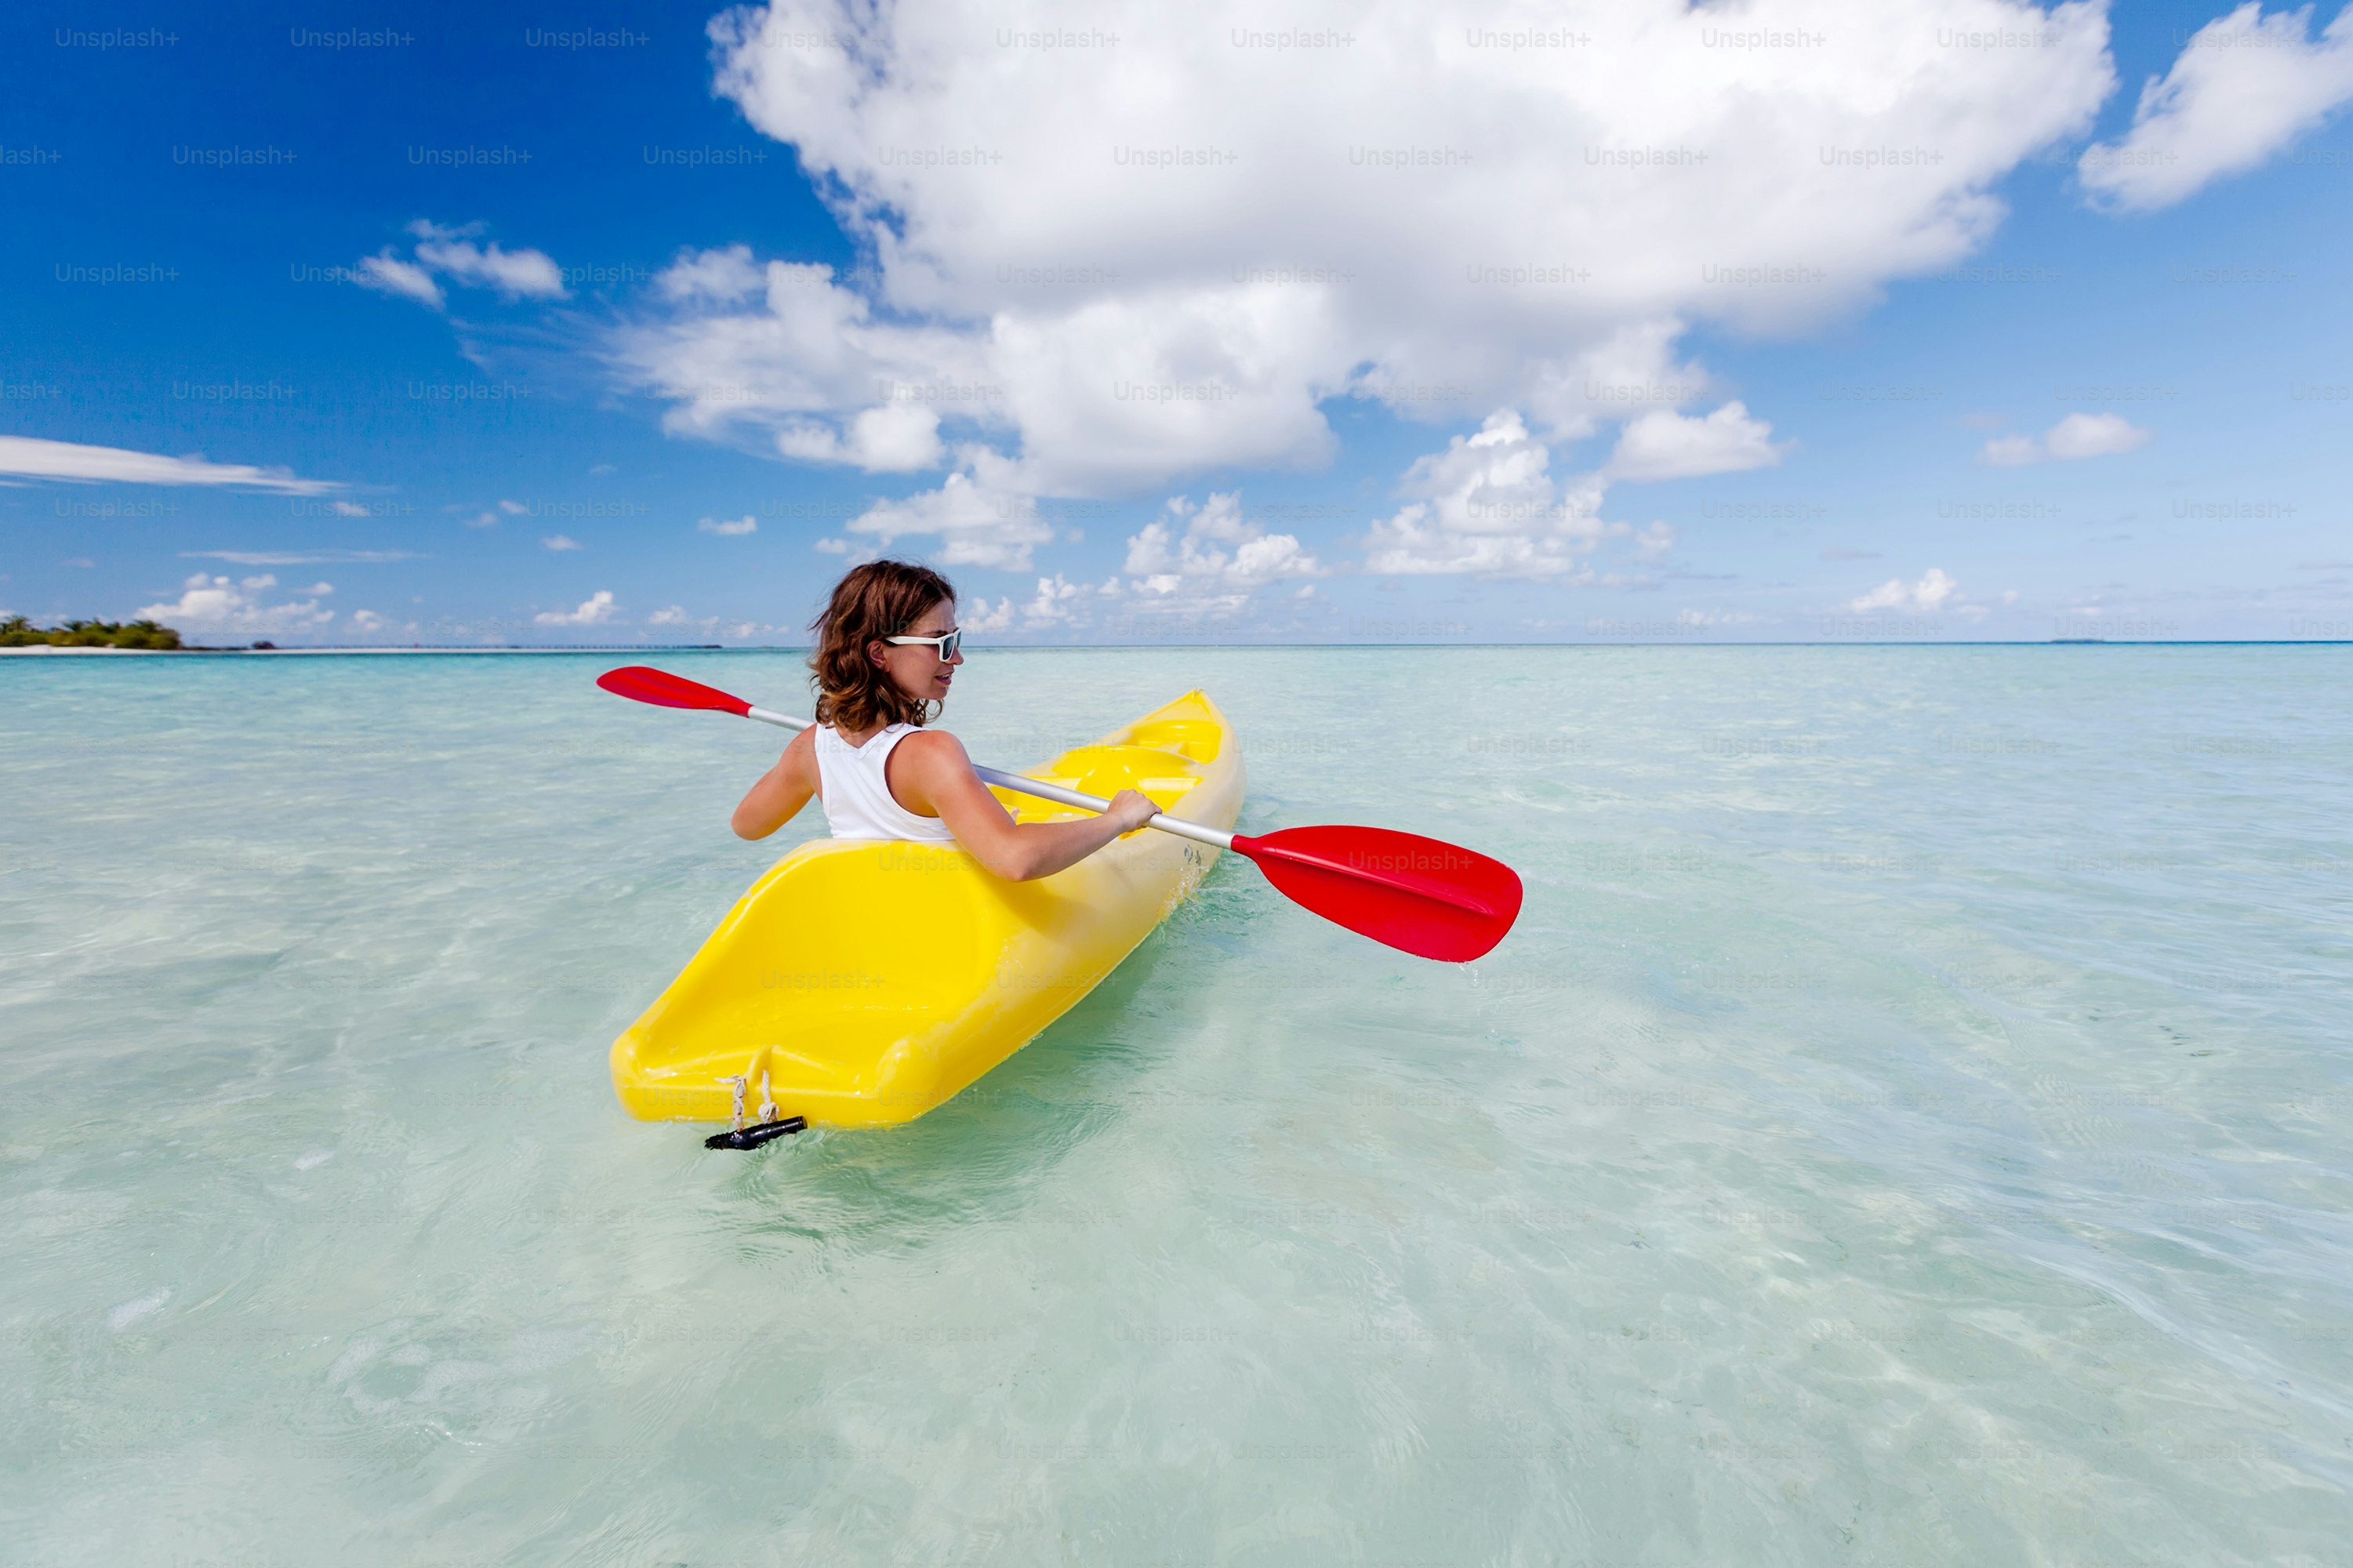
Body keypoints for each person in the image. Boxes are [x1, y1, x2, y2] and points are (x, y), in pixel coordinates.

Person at [730, 560, 1160, 879]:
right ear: (879, 653)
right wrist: (1118, 820)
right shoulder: (932, 753)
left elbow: (747, 825)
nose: (957, 657)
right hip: (952, 928)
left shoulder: (810, 748)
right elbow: (1015, 860)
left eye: (955, 639)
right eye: (940, 642)